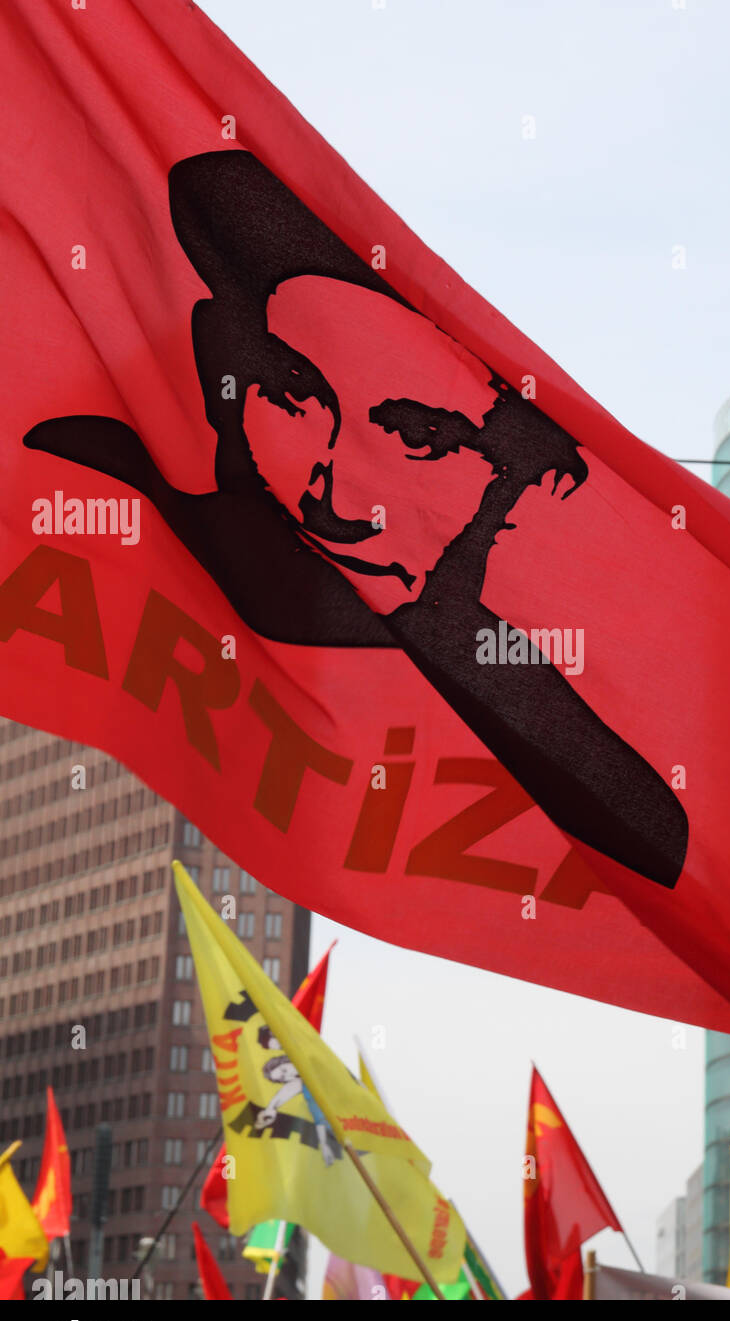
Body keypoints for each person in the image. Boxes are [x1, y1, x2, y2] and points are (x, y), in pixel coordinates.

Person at [24, 150, 687, 888]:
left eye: (415, 437)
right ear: (226, 393)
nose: (335, 483)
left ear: (503, 484)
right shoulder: (114, 487)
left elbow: (664, 852)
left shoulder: (500, 683)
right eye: (291, 392)